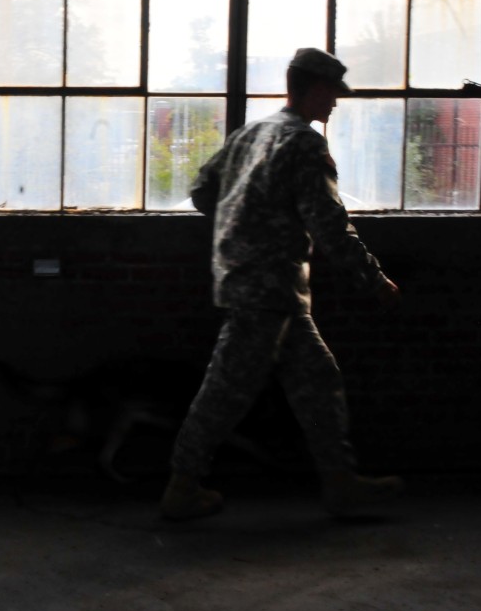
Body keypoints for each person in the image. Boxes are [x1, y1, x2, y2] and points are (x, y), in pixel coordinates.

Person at [160, 47, 404, 521]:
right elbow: (330, 226)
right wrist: (374, 280)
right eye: (332, 93)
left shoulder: (253, 132)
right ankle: (182, 487)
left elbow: (202, 192)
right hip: (267, 293)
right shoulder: (304, 145)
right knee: (225, 390)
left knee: (318, 382)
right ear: (313, 89)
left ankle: (341, 485)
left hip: (265, 290)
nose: (334, 104)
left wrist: (244, 226)